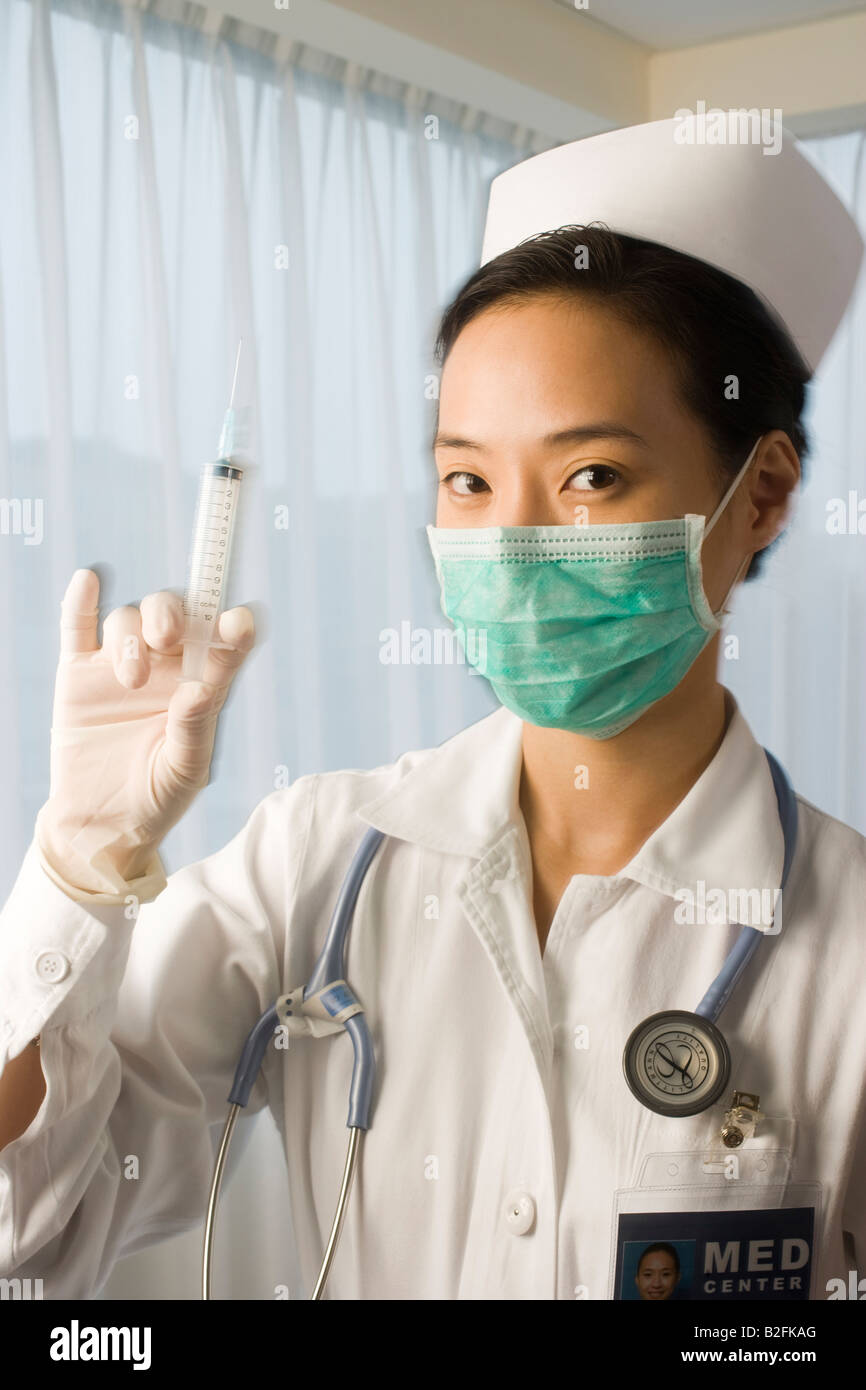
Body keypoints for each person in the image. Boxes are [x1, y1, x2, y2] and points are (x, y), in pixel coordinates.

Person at [1, 116, 864, 1302]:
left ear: (758, 494)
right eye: (466, 478)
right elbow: (33, 1234)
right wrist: (79, 864)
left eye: (589, 477)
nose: (505, 543)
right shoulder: (313, 861)